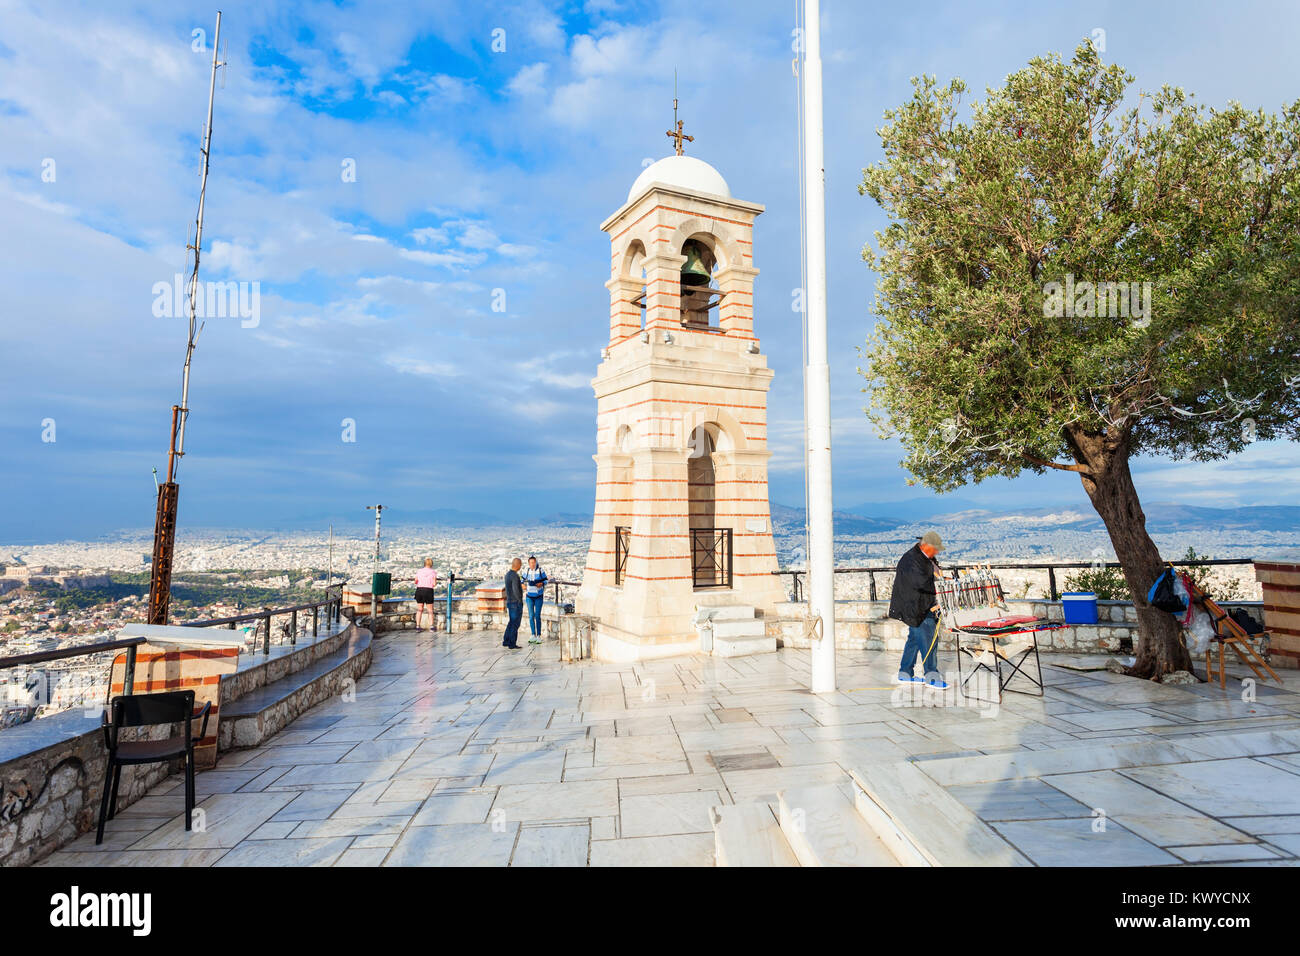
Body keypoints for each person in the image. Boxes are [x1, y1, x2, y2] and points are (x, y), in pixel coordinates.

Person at [888, 531, 948, 688]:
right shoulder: (913, 560)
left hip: (917, 606)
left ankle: (905, 672)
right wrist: (942, 585)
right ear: (926, 546)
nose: (937, 552)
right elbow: (922, 583)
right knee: (929, 641)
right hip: (918, 607)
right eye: (935, 549)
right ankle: (932, 677)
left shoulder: (922, 557)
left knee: (914, 640)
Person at [522, 555, 549, 645]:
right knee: (531, 615)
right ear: (529, 563)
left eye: (534, 562)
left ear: (536, 562)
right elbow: (521, 580)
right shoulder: (527, 571)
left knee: (537, 616)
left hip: (538, 596)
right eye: (531, 563)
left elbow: (546, 580)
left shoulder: (541, 570)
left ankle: (539, 636)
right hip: (529, 596)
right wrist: (522, 585)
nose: (532, 564)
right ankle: (533, 634)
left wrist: (541, 583)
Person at [502, 558, 523, 649]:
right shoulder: (514, 576)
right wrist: (520, 600)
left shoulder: (507, 574)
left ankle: (506, 640)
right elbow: (515, 590)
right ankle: (512, 643)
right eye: (520, 564)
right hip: (515, 603)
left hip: (510, 602)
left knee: (511, 622)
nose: (521, 566)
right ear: (517, 565)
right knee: (515, 624)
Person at [414, 558, 438, 631]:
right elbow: (434, 584)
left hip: (420, 590)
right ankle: (431, 626)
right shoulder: (433, 572)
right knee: (430, 610)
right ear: (431, 564)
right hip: (428, 590)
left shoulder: (419, 571)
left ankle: (417, 626)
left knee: (419, 609)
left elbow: (415, 581)